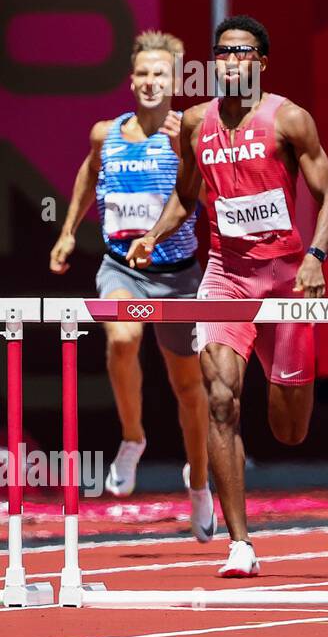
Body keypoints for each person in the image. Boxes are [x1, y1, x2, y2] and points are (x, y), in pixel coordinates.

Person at [126, 15, 328, 576]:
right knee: (221, 399)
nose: (231, 61)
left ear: (262, 62)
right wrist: (153, 236)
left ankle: (289, 390)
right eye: (222, 52)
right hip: (226, 275)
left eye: (243, 52)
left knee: (289, 430)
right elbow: (185, 195)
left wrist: (316, 257)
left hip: (287, 278)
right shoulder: (196, 123)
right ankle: (240, 544)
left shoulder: (289, 119)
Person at [48, 30, 214, 541]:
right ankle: (133, 438)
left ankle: (200, 486)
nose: (150, 81)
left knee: (189, 388)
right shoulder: (107, 134)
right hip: (122, 268)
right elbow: (87, 175)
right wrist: (68, 231)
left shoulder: (188, 133)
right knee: (122, 337)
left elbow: (208, 191)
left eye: (159, 73)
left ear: (175, 80)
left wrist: (186, 153)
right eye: (142, 73)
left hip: (179, 274)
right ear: (131, 79)